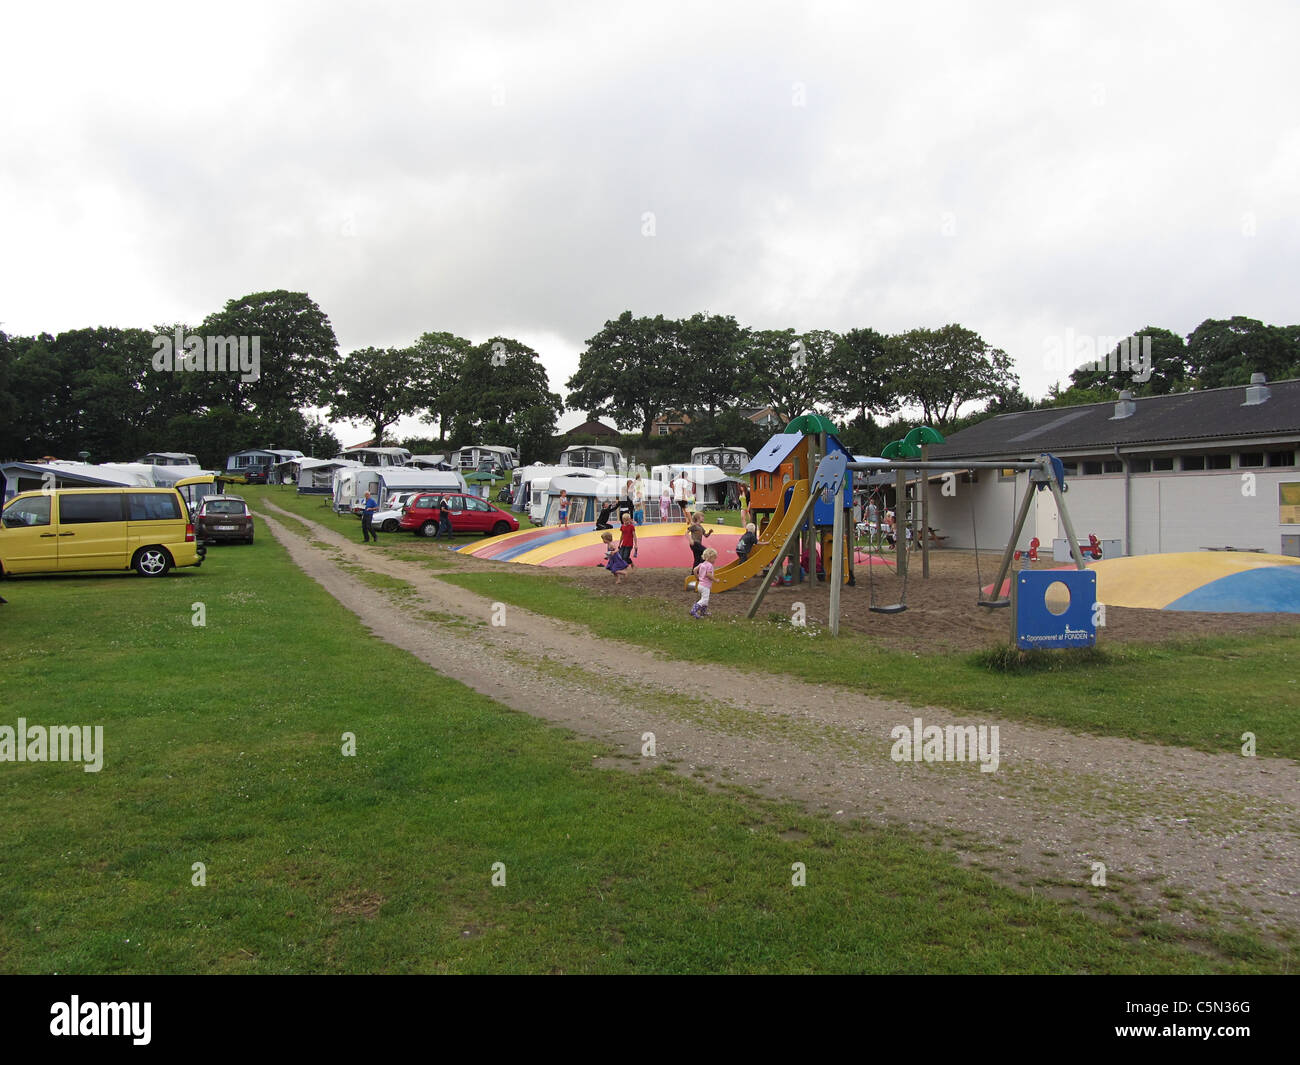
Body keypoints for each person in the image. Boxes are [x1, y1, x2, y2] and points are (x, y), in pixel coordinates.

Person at [690, 547, 718, 618]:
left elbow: (694, 570)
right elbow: (708, 575)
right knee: (704, 599)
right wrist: (715, 580)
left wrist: (697, 578)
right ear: (710, 557)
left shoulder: (702, 564)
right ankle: (694, 610)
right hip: (705, 586)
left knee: (705, 599)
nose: (715, 560)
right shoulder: (710, 565)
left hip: (700, 585)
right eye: (714, 558)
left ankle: (703, 612)